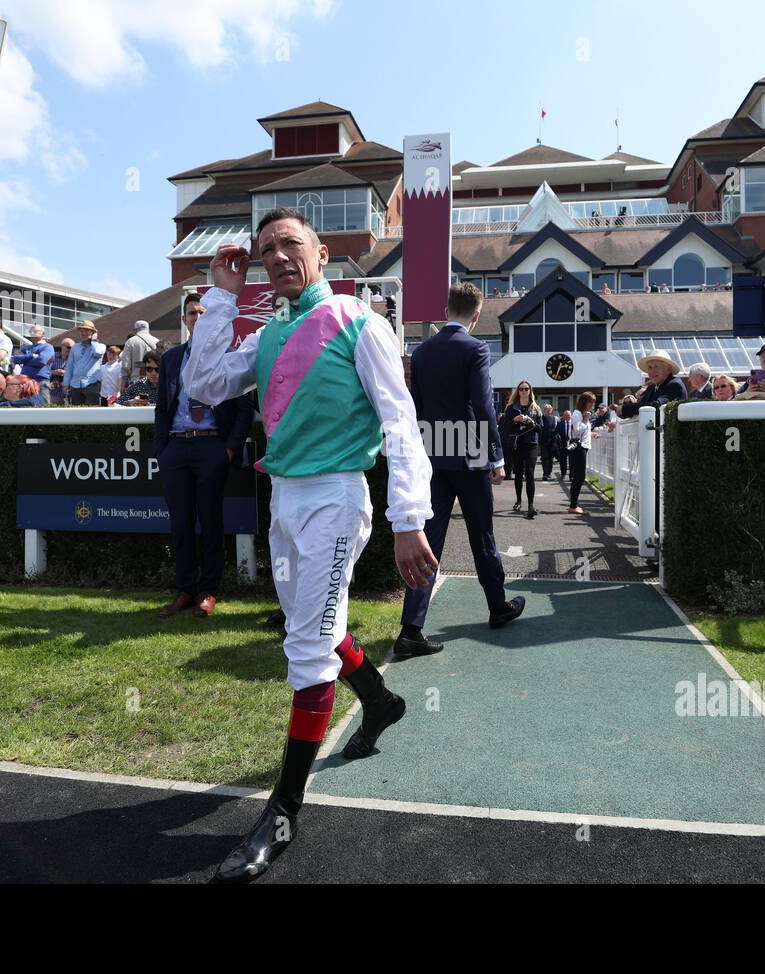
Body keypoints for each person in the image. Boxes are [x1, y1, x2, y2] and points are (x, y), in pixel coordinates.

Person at [182, 207, 434, 883]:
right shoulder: (267, 332)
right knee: (314, 630)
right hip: (285, 501)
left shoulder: (361, 321)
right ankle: (379, 700)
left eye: (290, 243)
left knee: (307, 648)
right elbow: (202, 386)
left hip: (336, 497)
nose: (278, 255)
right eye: (267, 249)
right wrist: (221, 298)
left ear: (321, 254)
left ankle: (282, 815)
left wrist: (409, 517)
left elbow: (401, 424)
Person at [392, 282, 522, 661]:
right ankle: (498, 607)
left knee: (427, 540)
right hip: (470, 452)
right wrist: (496, 456)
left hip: (432, 451)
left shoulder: (422, 351)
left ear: (446, 307)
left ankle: (411, 628)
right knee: (482, 533)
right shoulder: (476, 348)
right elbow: (482, 404)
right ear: (476, 315)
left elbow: (414, 405)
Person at [155, 328, 256, 619]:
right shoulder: (172, 358)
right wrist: (162, 448)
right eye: (193, 314)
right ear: (186, 320)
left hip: (212, 445)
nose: (198, 319)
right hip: (176, 447)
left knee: (211, 521)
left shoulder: (229, 358)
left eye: (203, 314)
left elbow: (244, 409)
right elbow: (162, 406)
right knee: (180, 523)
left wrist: (228, 449)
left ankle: (208, 591)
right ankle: (185, 590)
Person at [504, 381, 541, 517]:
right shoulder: (511, 408)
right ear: (518, 391)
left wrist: (531, 422)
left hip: (531, 443)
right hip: (517, 444)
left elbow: (540, 429)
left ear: (530, 391)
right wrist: (515, 420)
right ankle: (519, 500)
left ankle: (531, 505)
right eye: (521, 389)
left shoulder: (536, 409)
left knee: (530, 473)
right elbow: (505, 427)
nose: (524, 391)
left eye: (526, 389)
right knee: (518, 473)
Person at [618, 351, 686, 417]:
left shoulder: (675, 385)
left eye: (656, 367)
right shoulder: (652, 388)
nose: (652, 371)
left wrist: (625, 409)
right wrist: (624, 409)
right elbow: (641, 406)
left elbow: (657, 406)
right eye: (650, 367)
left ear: (668, 369)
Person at [565, 391, 596, 514]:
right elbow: (577, 430)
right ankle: (573, 506)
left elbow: (582, 431)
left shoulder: (581, 414)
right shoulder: (578, 413)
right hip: (579, 447)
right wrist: (586, 419)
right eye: (591, 402)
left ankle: (573, 504)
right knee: (580, 476)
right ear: (585, 402)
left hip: (582, 446)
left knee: (578, 476)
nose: (592, 405)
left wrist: (591, 434)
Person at [66, 321, 105, 405]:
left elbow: (98, 352)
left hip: (92, 383)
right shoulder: (75, 347)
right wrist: (66, 383)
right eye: (81, 331)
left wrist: (94, 340)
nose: (83, 333)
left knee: (93, 413)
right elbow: (69, 366)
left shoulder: (100, 346)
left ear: (93, 333)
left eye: (87, 331)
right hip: (75, 384)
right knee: (75, 413)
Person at [11, 324, 55, 399]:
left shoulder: (48, 347)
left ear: (43, 333)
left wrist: (25, 361)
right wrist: (31, 356)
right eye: (30, 331)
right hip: (25, 381)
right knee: (24, 405)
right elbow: (15, 359)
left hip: (40, 381)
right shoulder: (26, 347)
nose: (32, 333)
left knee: (42, 406)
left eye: (35, 331)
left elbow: (41, 360)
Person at [120, 318, 160, 390]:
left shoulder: (130, 341)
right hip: (154, 383)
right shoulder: (157, 341)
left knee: (136, 401)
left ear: (136, 329)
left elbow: (126, 366)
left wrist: (124, 383)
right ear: (148, 329)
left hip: (136, 382)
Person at [538, 402, 558, 479]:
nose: (548, 411)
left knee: (550, 458)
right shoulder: (541, 418)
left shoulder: (553, 418)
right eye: (546, 410)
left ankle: (549, 472)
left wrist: (555, 441)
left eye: (549, 410)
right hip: (543, 441)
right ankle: (545, 473)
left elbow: (555, 429)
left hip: (552, 441)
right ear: (544, 410)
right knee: (544, 458)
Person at [556, 409, 571, 479]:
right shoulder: (560, 423)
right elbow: (555, 433)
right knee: (563, 460)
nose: (567, 416)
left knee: (572, 460)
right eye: (565, 415)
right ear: (563, 416)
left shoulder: (573, 423)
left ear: (571, 416)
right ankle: (563, 473)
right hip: (563, 444)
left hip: (572, 444)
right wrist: (557, 442)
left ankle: (572, 475)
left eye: (568, 415)